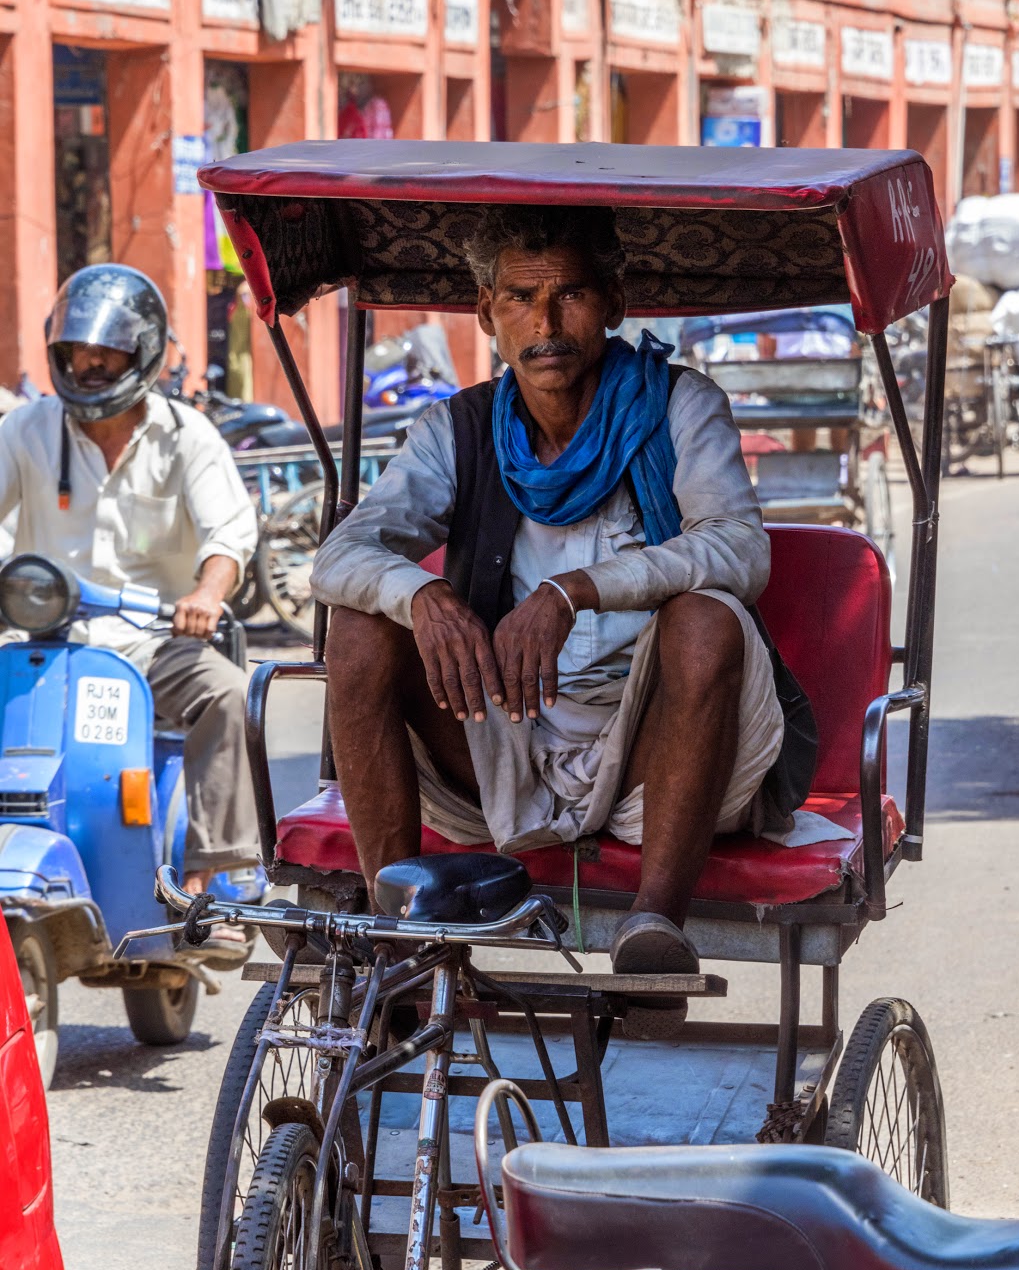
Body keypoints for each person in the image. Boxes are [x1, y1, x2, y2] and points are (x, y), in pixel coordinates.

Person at [312, 206, 809, 1029]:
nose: (545, 325)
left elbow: (739, 549)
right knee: (361, 627)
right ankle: (396, 939)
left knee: (708, 619)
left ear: (613, 303)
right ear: (487, 314)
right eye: (520, 300)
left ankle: (654, 926)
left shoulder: (679, 407)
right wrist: (424, 597)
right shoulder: (460, 430)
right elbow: (340, 556)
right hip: (507, 740)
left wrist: (576, 589)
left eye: (570, 295)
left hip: (665, 749)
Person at [0, 264, 261, 968]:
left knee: (229, 694)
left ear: (141, 355)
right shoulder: (25, 430)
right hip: (43, 645)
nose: (87, 366)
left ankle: (209, 882)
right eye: (76, 352)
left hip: (153, 644)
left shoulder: (187, 436)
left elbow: (228, 535)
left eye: (104, 354)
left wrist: (207, 595)